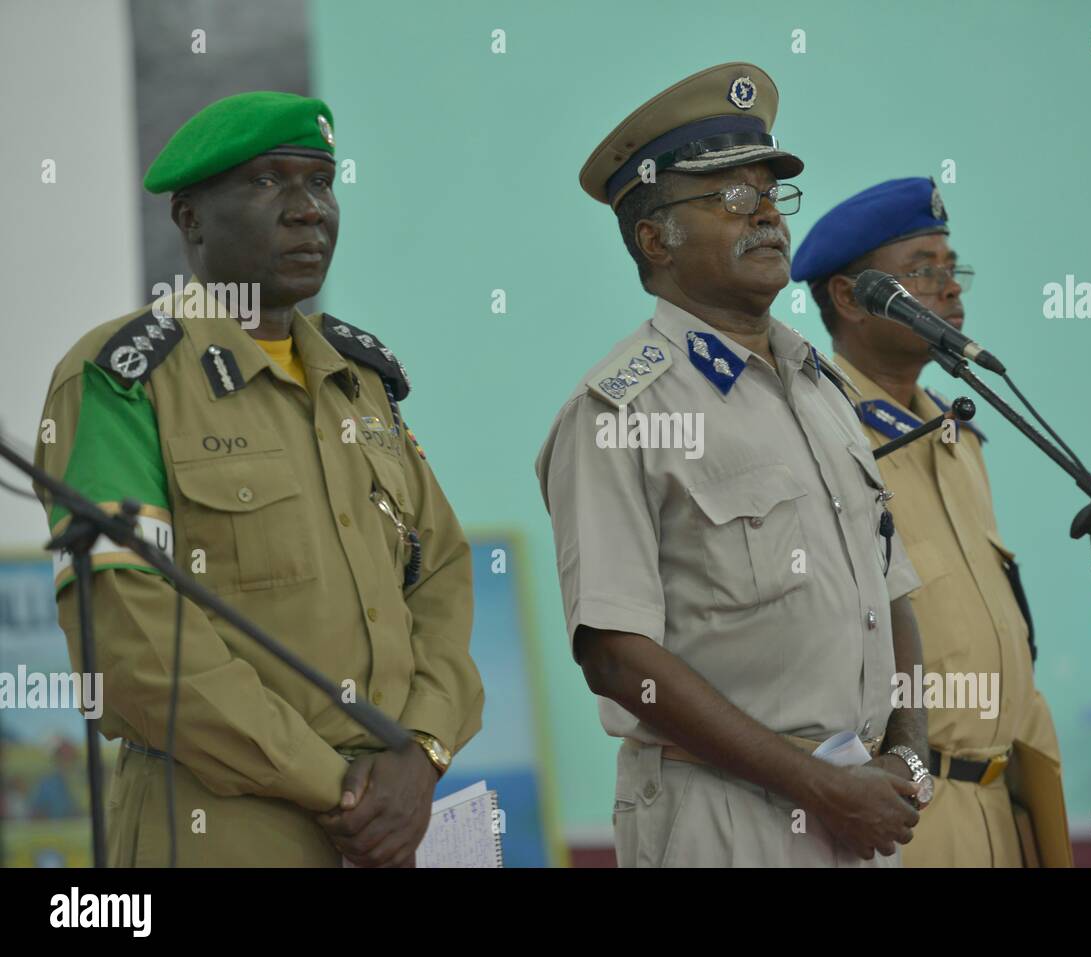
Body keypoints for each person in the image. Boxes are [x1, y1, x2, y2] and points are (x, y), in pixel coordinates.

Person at [33, 91, 483, 867]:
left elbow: (438, 572)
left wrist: (421, 753)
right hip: (223, 821)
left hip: (395, 822)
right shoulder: (124, 379)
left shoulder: (359, 379)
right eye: (270, 182)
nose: (310, 210)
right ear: (190, 220)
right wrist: (342, 788)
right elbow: (133, 640)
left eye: (321, 181)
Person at [536, 63, 932, 868]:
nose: (767, 218)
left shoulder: (818, 386)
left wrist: (908, 756)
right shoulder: (620, 410)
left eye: (770, 193)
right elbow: (616, 657)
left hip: (864, 812)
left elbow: (889, 594)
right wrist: (819, 787)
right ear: (655, 238)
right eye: (729, 197)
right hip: (719, 817)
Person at [790, 176, 1070, 866]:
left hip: (1003, 805)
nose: (950, 289)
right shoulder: (818, 435)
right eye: (921, 270)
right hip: (908, 815)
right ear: (849, 298)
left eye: (952, 269)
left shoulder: (957, 435)